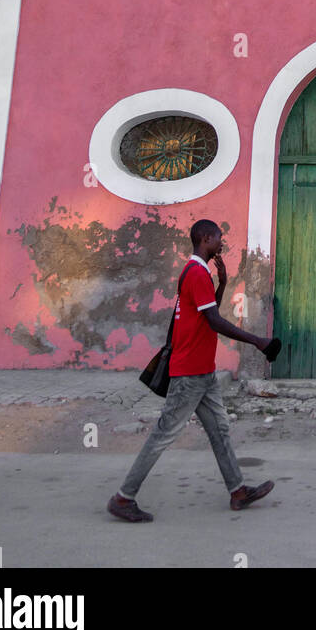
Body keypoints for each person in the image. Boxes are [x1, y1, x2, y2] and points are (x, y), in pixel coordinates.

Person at [107, 219, 282, 522]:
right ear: (204, 238)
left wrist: (223, 283)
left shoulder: (198, 273)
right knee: (162, 435)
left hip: (203, 372)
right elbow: (214, 320)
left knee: (220, 431)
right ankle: (124, 497)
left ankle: (238, 492)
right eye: (218, 237)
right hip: (189, 374)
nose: (222, 242)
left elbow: (205, 314)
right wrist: (258, 341)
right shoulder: (196, 273)